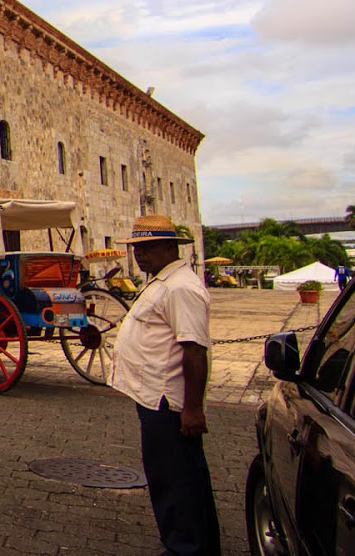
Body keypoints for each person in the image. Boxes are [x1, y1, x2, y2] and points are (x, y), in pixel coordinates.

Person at [109, 214, 221, 556]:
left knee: (172, 480)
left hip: (167, 402)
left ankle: (183, 547)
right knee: (186, 476)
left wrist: (192, 408)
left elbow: (194, 350)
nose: (140, 255)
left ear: (171, 247)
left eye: (149, 247)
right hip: (156, 397)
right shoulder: (163, 281)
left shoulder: (180, 287)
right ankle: (200, 544)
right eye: (137, 248)